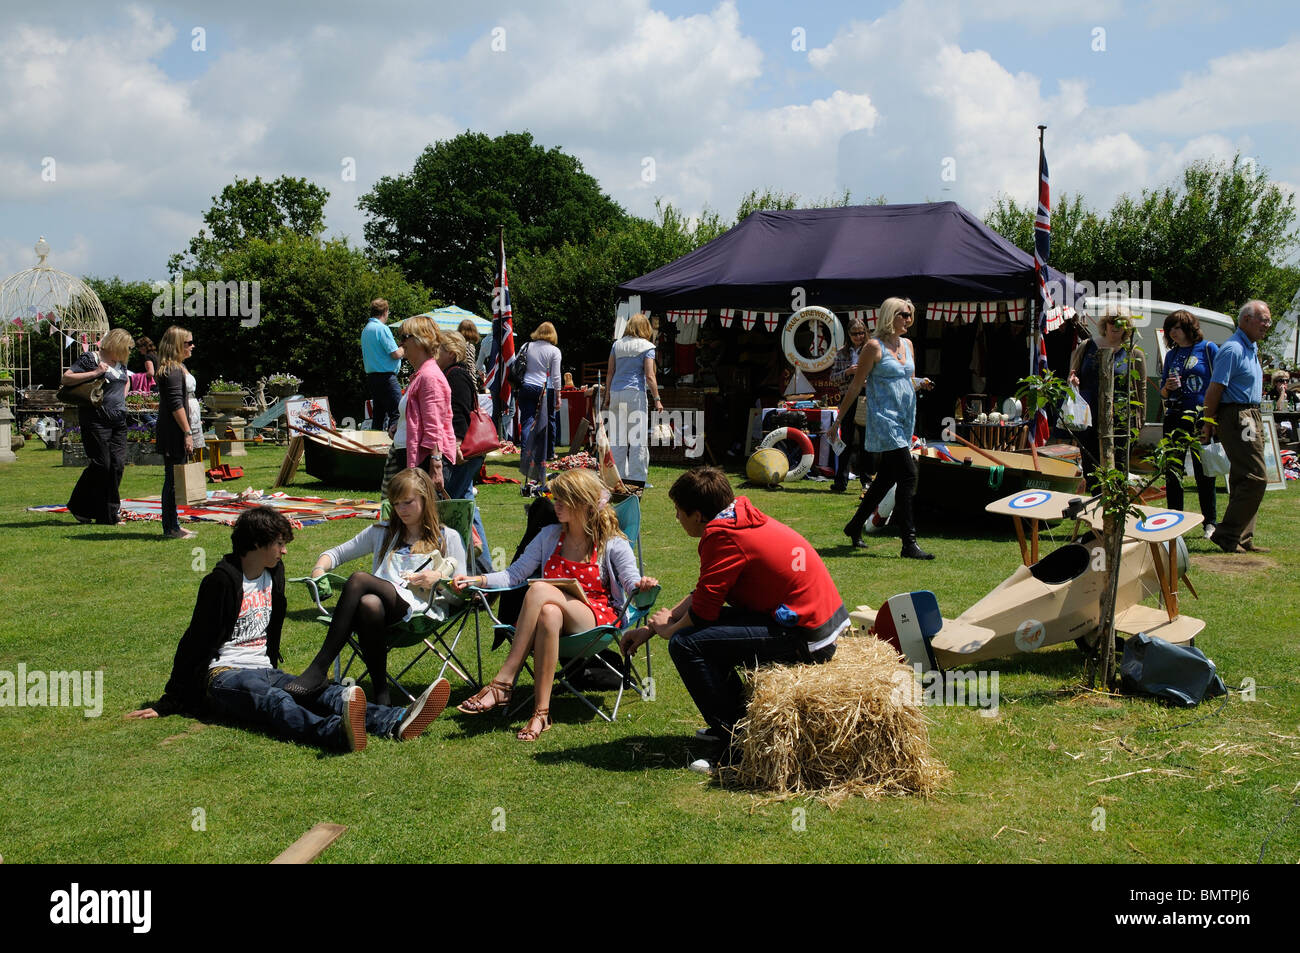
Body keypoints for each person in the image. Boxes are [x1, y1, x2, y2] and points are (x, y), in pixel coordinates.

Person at [127, 506, 449, 752]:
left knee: (324, 691)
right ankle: (336, 733)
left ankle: (395, 721)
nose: (284, 551)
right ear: (257, 544)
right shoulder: (220, 583)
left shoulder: (273, 573)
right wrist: (168, 702)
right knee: (275, 702)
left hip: (264, 667)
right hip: (223, 674)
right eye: (279, 543)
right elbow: (193, 642)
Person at [619, 466, 847, 774]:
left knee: (687, 644)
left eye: (678, 512)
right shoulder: (736, 518)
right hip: (813, 621)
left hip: (806, 633)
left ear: (698, 515)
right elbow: (707, 594)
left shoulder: (721, 535)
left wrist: (667, 630)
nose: (676, 518)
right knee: (702, 638)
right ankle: (738, 722)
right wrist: (652, 627)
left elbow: (702, 613)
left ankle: (737, 744)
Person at [452, 468, 656, 741]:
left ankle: (504, 682)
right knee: (548, 612)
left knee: (539, 589)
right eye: (554, 497)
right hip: (553, 616)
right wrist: (478, 578)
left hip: (595, 616)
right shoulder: (549, 535)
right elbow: (514, 574)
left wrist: (641, 585)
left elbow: (630, 581)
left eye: (562, 499)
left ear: (583, 503)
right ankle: (541, 713)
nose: (554, 504)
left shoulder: (611, 542)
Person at [288, 467, 465, 707]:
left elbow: (462, 592)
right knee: (368, 603)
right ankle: (382, 696)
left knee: (360, 579)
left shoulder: (448, 537)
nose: (401, 510)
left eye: (408, 502)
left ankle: (319, 668)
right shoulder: (382, 532)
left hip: (422, 610)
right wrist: (319, 569)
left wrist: (438, 582)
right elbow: (335, 553)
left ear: (425, 499)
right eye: (396, 504)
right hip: (383, 610)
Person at [830, 297, 935, 559]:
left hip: (904, 416)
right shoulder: (873, 347)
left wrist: (920, 382)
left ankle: (854, 526)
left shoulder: (908, 345)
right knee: (908, 474)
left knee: (885, 479)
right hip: (884, 418)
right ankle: (908, 543)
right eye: (904, 315)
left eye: (910, 315)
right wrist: (838, 420)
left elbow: (905, 379)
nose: (909, 319)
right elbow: (856, 386)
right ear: (890, 315)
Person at [1202, 300, 1272, 554]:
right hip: (1238, 415)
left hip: (1251, 413)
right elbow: (1215, 388)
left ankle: (1242, 537)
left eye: (1268, 320)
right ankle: (1227, 534)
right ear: (1246, 320)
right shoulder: (1232, 349)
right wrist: (1207, 423)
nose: (1268, 325)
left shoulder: (1250, 348)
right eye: (1263, 319)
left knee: (1244, 477)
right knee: (1256, 477)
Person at [1068, 306, 1146, 490]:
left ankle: (1117, 512)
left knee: (1119, 467)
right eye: (1111, 321)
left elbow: (1141, 390)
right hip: (1089, 417)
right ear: (1105, 324)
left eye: (1121, 322)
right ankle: (1096, 507)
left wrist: (1140, 421)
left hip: (1120, 418)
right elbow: (1072, 376)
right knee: (1092, 468)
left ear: (1127, 326)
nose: (1115, 325)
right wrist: (1073, 381)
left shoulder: (1134, 353)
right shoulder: (1086, 346)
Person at [1158, 310, 1219, 536]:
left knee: (1204, 470)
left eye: (1177, 327)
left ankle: (1209, 522)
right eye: (1169, 329)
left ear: (1189, 328)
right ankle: (1174, 520)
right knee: (1173, 470)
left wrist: (1214, 417)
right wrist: (1167, 388)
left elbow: (1219, 383)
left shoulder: (1208, 349)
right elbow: (1163, 392)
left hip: (1200, 416)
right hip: (1174, 415)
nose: (1173, 333)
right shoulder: (1171, 355)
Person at [63, 328, 133, 525]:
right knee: (102, 464)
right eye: (126, 347)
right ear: (116, 344)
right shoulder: (91, 359)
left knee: (117, 466)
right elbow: (66, 378)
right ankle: (79, 505)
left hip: (118, 421)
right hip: (95, 419)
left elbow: (125, 382)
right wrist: (95, 373)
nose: (128, 351)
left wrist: (121, 399)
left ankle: (109, 513)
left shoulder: (121, 363)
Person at [436, 329, 492, 572]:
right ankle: (483, 570)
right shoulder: (456, 374)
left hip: (461, 453)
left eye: (437, 348)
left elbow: (458, 414)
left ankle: (477, 569)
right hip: (469, 453)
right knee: (466, 508)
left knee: (453, 508)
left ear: (451, 353)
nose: (433, 353)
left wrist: (456, 444)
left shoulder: (455, 375)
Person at [392, 314, 454, 495]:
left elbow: (434, 424)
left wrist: (436, 464)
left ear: (420, 340)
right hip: (415, 458)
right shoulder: (421, 375)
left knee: (423, 519)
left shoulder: (429, 376)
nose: (401, 343)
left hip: (425, 461)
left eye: (404, 338)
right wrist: (400, 426)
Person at [603, 312, 662, 490]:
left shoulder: (617, 345)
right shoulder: (647, 346)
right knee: (637, 438)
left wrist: (607, 396)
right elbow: (650, 376)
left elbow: (610, 373)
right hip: (634, 393)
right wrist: (657, 398)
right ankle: (637, 479)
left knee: (618, 439)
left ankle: (617, 478)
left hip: (616, 392)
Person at [154, 326, 198, 540]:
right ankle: (170, 527)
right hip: (174, 432)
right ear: (178, 344)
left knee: (175, 479)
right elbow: (175, 405)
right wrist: (187, 432)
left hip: (179, 429)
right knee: (172, 480)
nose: (192, 346)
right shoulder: (171, 370)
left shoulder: (177, 367)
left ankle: (174, 524)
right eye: (188, 343)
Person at [514, 321, 562, 468]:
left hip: (526, 385)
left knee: (527, 421)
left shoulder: (526, 346)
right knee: (549, 421)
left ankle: (525, 456)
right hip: (544, 388)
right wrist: (559, 395)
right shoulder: (554, 351)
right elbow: (556, 376)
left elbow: (516, 364)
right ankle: (549, 453)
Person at [830, 318, 868, 493]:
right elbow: (832, 378)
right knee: (845, 438)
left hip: (866, 397)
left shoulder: (871, 350)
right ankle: (840, 481)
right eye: (855, 334)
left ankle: (866, 480)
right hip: (847, 397)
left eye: (861, 333)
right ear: (849, 334)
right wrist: (848, 372)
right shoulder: (841, 353)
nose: (859, 337)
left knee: (866, 440)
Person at [362, 298, 405, 432]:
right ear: (385, 311)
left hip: (373, 378)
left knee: (378, 416)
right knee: (398, 413)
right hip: (386, 378)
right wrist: (405, 348)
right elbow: (396, 354)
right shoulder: (382, 329)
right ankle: (396, 448)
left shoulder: (366, 330)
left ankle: (375, 447)